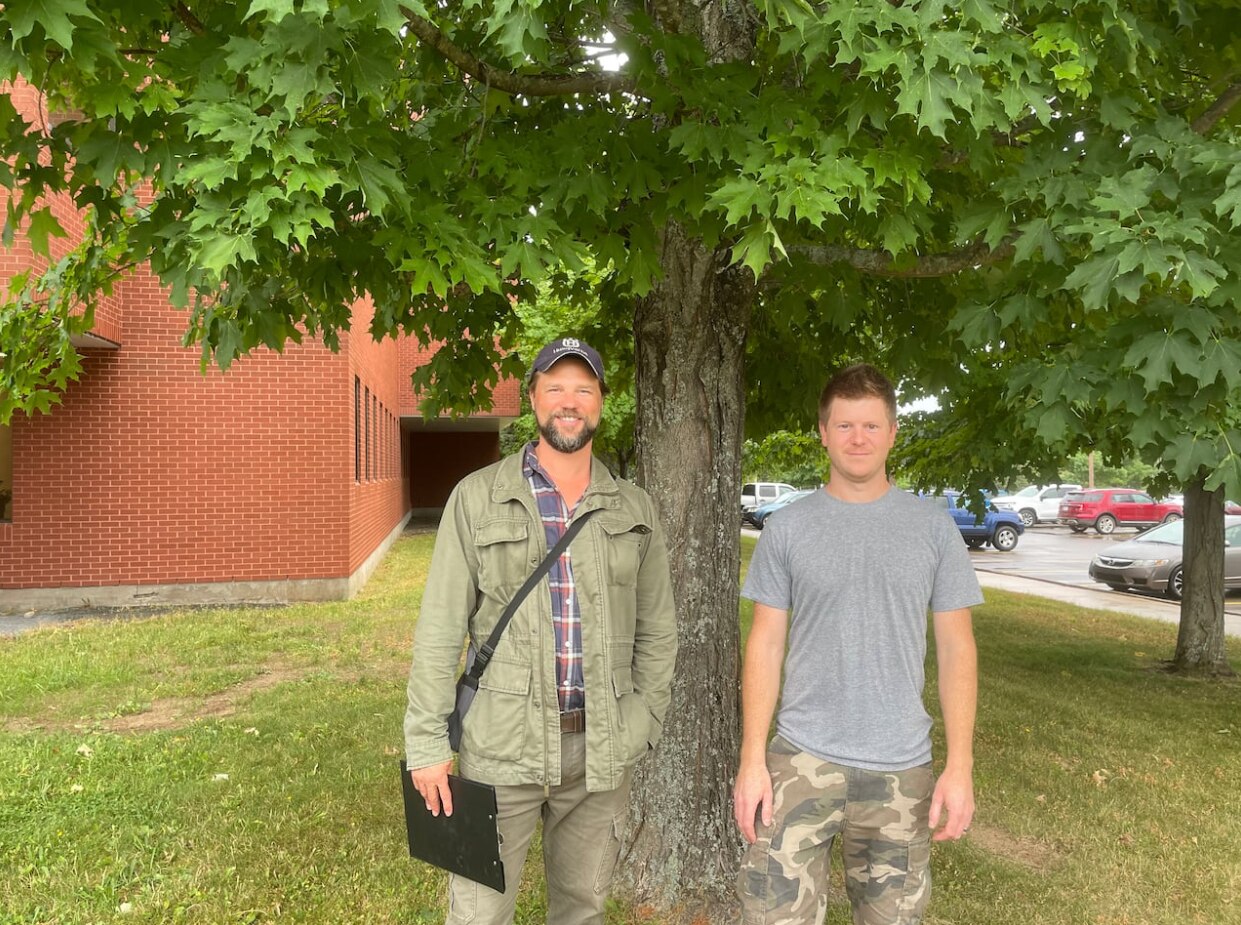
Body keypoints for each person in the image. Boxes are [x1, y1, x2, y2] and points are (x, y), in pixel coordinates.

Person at [404, 337, 677, 925]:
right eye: (555, 388)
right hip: (502, 744)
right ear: (532, 398)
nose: (569, 401)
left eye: (583, 388)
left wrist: (644, 718)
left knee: (582, 910)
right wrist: (426, 744)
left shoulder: (633, 509)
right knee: (478, 914)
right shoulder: (478, 497)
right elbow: (439, 628)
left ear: (601, 400)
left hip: (601, 749)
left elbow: (658, 630)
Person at [733, 363, 981, 925]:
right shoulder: (787, 528)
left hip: (901, 769)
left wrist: (960, 766)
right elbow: (764, 645)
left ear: (893, 433)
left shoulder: (933, 529)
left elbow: (957, 651)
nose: (858, 438)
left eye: (871, 425)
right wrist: (752, 761)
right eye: (844, 425)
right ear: (823, 433)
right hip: (800, 761)